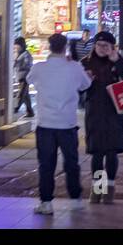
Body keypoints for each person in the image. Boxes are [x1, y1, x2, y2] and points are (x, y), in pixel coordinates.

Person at [27, 32, 91, 215]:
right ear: (66, 48)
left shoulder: (39, 68)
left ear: (49, 47)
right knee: (71, 163)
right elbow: (85, 85)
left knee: (46, 164)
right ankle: (76, 200)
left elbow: (29, 79)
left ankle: (46, 203)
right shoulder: (74, 68)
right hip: (67, 124)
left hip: (45, 123)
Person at [80, 31, 123, 204]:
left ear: (112, 47)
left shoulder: (119, 61)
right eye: (99, 45)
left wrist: (117, 61)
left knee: (111, 152)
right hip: (94, 112)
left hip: (114, 112)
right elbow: (78, 89)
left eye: (106, 46)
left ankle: (109, 189)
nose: (102, 49)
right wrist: (85, 81)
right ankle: (97, 189)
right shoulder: (85, 63)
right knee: (97, 152)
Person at [13, 38, 35, 120]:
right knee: (25, 95)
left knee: (21, 95)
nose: (16, 47)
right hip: (20, 76)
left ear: (21, 45)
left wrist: (17, 62)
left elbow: (28, 65)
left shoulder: (26, 54)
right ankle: (30, 112)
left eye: (17, 45)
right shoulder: (19, 53)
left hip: (25, 77)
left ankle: (15, 109)